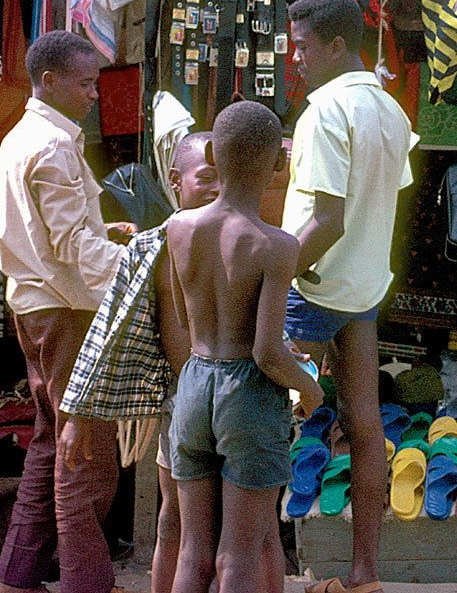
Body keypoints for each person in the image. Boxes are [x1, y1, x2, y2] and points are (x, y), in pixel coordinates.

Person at [58, 132, 287, 593]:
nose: (215, 186)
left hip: (230, 397)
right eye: (204, 178)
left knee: (255, 532)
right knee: (176, 522)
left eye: (222, 176)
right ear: (174, 181)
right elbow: (110, 333)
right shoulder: (156, 247)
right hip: (182, 402)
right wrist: (77, 416)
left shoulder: (253, 239)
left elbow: (268, 336)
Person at [282, 0, 413, 593]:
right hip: (362, 288)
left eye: (304, 47)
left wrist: (271, 273)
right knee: (367, 428)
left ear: (337, 46)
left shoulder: (323, 112)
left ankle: (254, 567)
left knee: (258, 422)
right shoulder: (391, 109)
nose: (295, 58)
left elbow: (327, 220)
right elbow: (381, 195)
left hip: (312, 287)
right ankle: (365, 576)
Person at [164, 102, 323, 593]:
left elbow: (183, 320)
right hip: (249, 396)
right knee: (239, 555)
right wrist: (308, 389)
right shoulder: (276, 245)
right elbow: (266, 353)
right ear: (280, 164)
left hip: (193, 385)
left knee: (194, 551)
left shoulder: (179, 229)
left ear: (212, 152)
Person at [0, 31, 132, 593]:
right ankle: (87, 582)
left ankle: (19, 573)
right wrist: (136, 268)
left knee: (54, 439)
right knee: (85, 453)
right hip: (65, 311)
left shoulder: (20, 136)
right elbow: (72, 244)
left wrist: (108, 236)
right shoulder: (52, 146)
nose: (94, 94)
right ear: (49, 82)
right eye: (85, 84)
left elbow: (62, 234)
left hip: (34, 306)